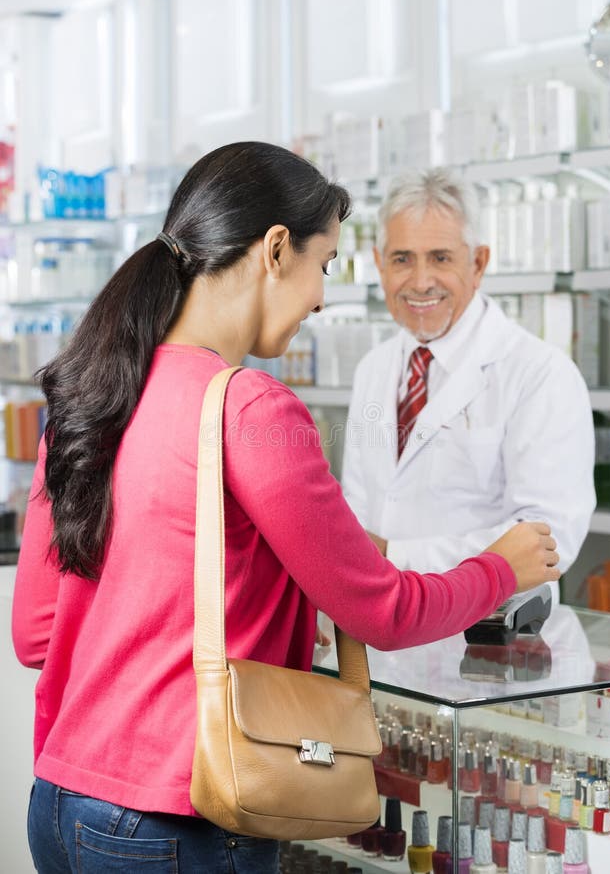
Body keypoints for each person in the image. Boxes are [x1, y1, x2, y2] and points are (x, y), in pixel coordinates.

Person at [12, 142, 560, 874]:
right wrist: (502, 567)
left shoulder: (90, 391)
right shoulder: (250, 408)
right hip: (182, 817)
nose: (322, 297)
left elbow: (36, 635)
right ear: (276, 250)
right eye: (325, 264)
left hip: (60, 804)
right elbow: (385, 614)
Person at [342, 167, 595, 597]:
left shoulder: (539, 374)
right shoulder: (374, 368)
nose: (421, 282)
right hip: (379, 625)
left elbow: (546, 541)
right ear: (380, 264)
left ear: (477, 264)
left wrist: (395, 556)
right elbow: (357, 508)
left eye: (441, 258)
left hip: (489, 637)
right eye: (402, 259)